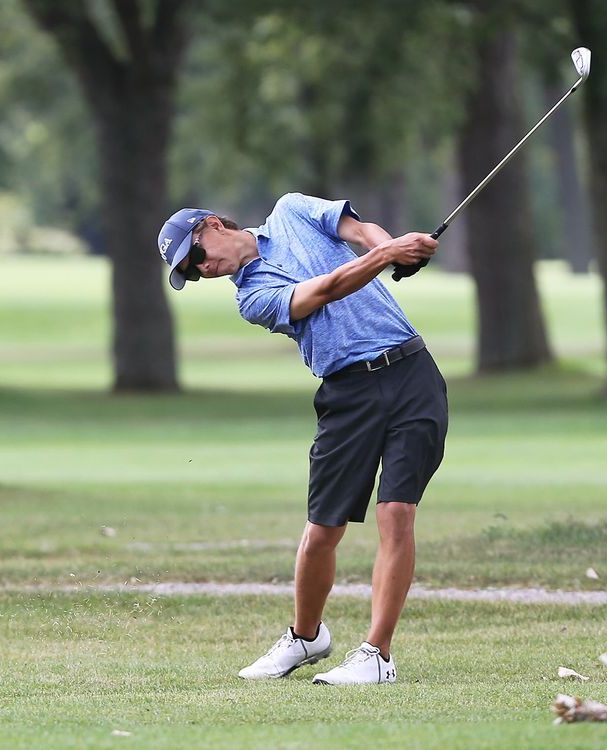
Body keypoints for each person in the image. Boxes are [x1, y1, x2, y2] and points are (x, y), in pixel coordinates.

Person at [156, 193, 447, 685]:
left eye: (197, 256)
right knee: (322, 531)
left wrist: (397, 250)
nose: (203, 269)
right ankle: (307, 636)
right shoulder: (251, 299)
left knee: (397, 513)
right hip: (347, 394)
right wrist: (389, 254)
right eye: (191, 271)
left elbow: (359, 232)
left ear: (211, 225)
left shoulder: (291, 210)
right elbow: (327, 289)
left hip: (412, 374)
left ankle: (378, 654)